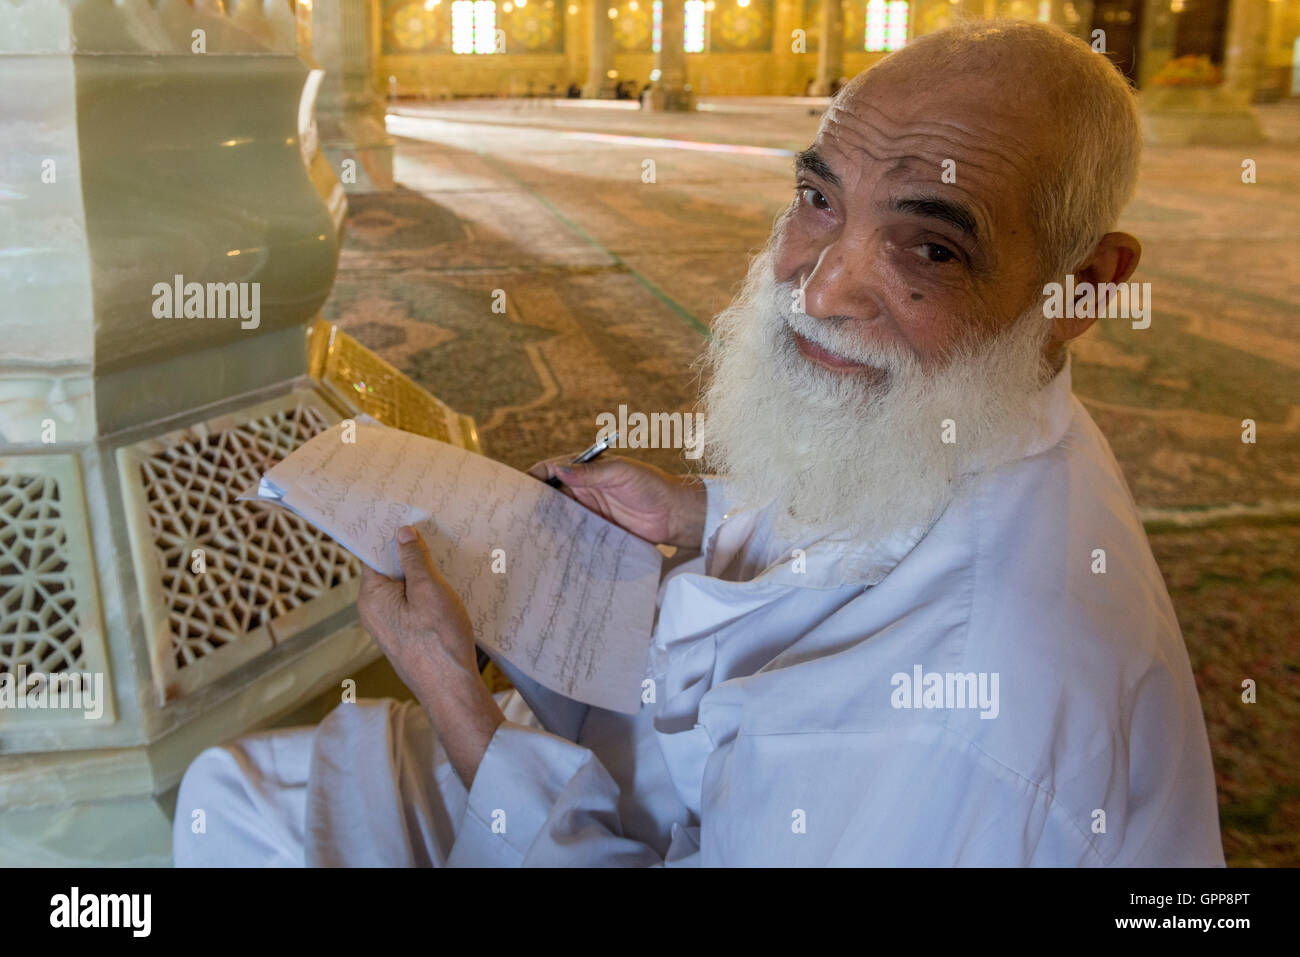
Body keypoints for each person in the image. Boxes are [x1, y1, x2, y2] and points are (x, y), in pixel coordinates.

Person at [173, 21, 1224, 867]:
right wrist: (698, 513)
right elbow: (887, 517)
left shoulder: (969, 724)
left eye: (931, 245)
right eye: (817, 200)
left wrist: (453, 695)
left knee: (245, 818)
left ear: (1082, 288)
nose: (817, 289)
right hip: (667, 766)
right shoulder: (988, 415)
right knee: (246, 790)